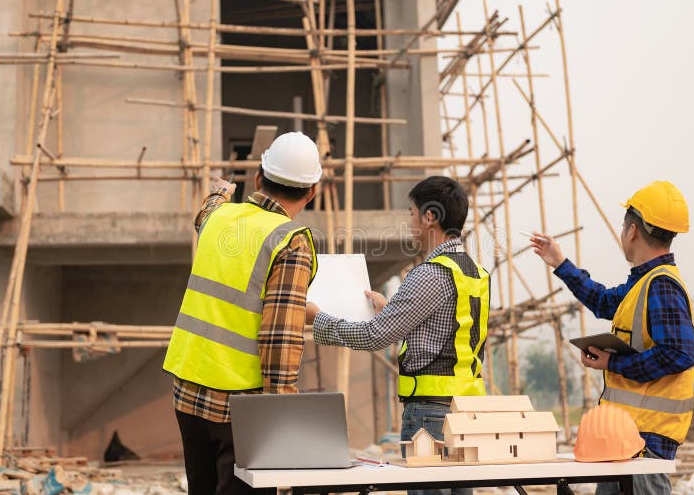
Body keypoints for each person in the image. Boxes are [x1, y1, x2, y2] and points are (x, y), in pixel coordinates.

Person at [307, 175, 490, 495]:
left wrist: (318, 319)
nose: (409, 221)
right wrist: (393, 309)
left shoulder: (429, 273)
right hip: (466, 412)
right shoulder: (474, 272)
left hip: (430, 417)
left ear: (430, 216)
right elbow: (446, 330)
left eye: (411, 213)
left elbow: (375, 336)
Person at [163, 132, 321, 495]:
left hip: (187, 392)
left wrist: (220, 190)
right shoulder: (290, 241)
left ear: (258, 179)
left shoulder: (219, 219)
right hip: (241, 409)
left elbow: (204, 213)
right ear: (311, 192)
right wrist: (280, 420)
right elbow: (279, 337)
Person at [530, 181, 694, 495]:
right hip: (626, 441)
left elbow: (678, 354)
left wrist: (614, 362)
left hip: (645, 443)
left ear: (632, 231)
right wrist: (560, 263)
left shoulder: (661, 284)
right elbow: (603, 301)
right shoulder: (644, 284)